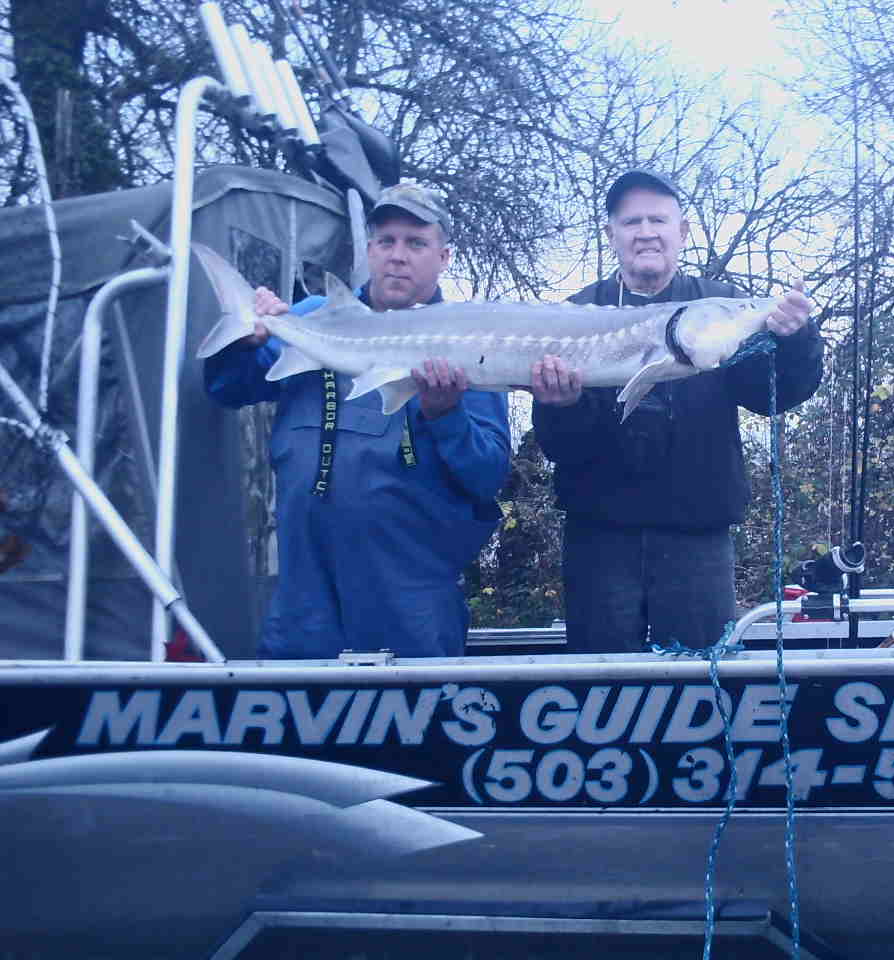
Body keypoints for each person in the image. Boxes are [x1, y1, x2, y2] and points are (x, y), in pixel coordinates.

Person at [204, 182, 510, 659]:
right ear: (369, 250)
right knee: (294, 725)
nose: (398, 255)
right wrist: (244, 340)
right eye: (386, 241)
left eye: (416, 243)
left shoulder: (473, 336)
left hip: (412, 598)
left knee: (418, 727)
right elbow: (226, 389)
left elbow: (487, 475)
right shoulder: (313, 317)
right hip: (305, 592)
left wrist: (445, 415)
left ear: (444, 256)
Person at [530, 169, 822, 654]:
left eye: (658, 220)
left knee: (700, 694)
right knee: (600, 689)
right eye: (631, 222)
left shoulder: (723, 307)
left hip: (698, 538)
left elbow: (774, 395)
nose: (646, 232)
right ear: (612, 235)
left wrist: (797, 340)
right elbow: (559, 447)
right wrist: (562, 405)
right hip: (599, 539)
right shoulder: (575, 314)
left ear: (682, 231)